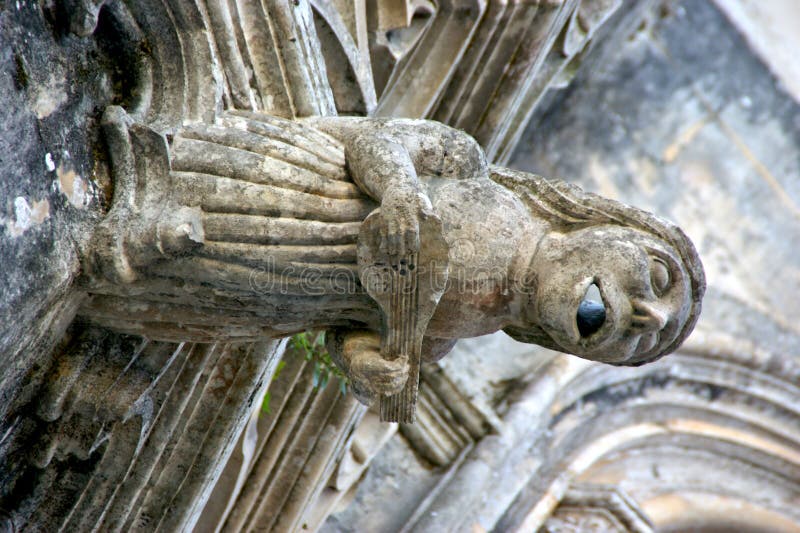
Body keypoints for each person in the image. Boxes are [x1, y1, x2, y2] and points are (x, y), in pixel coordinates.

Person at [300, 117, 706, 405]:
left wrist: (364, 364)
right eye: (658, 275)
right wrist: (398, 189)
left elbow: (348, 334)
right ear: (610, 224)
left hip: (278, 295)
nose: (652, 318)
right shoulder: (469, 169)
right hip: (295, 185)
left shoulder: (441, 338)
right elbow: (373, 140)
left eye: (644, 342)